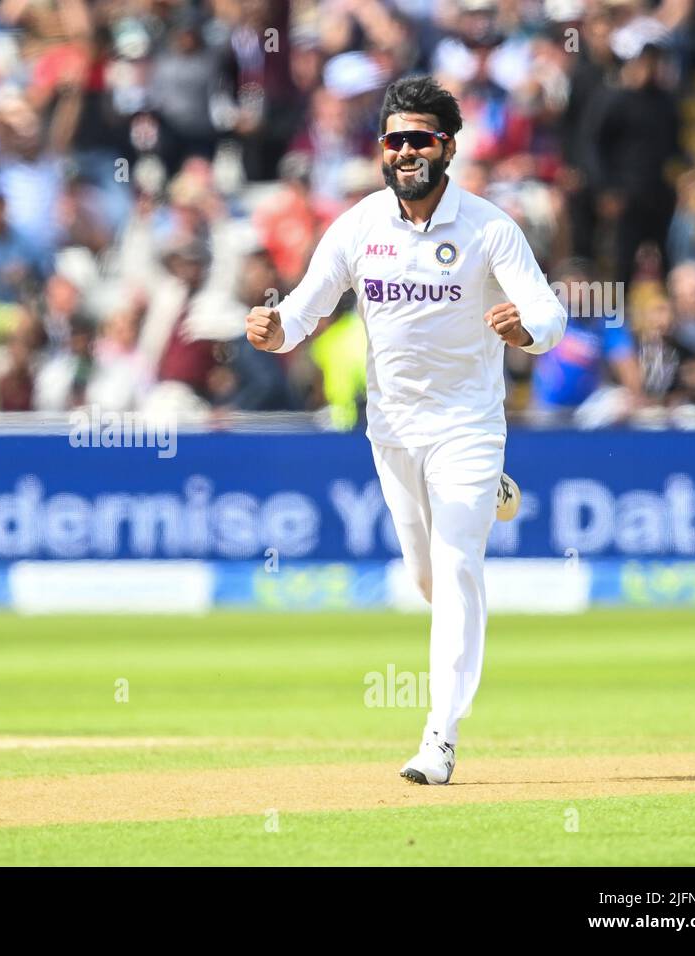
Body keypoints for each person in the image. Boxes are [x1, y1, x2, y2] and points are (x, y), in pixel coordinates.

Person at [245, 76, 566, 785]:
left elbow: (549, 310)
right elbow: (305, 309)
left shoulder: (489, 226)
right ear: (381, 151)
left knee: (455, 572)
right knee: (425, 577)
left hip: (467, 426)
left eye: (421, 138)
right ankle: (494, 495)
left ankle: (439, 738)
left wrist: (530, 331)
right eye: (395, 140)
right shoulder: (360, 225)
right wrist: (274, 333)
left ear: (447, 147)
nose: (407, 152)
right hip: (391, 430)